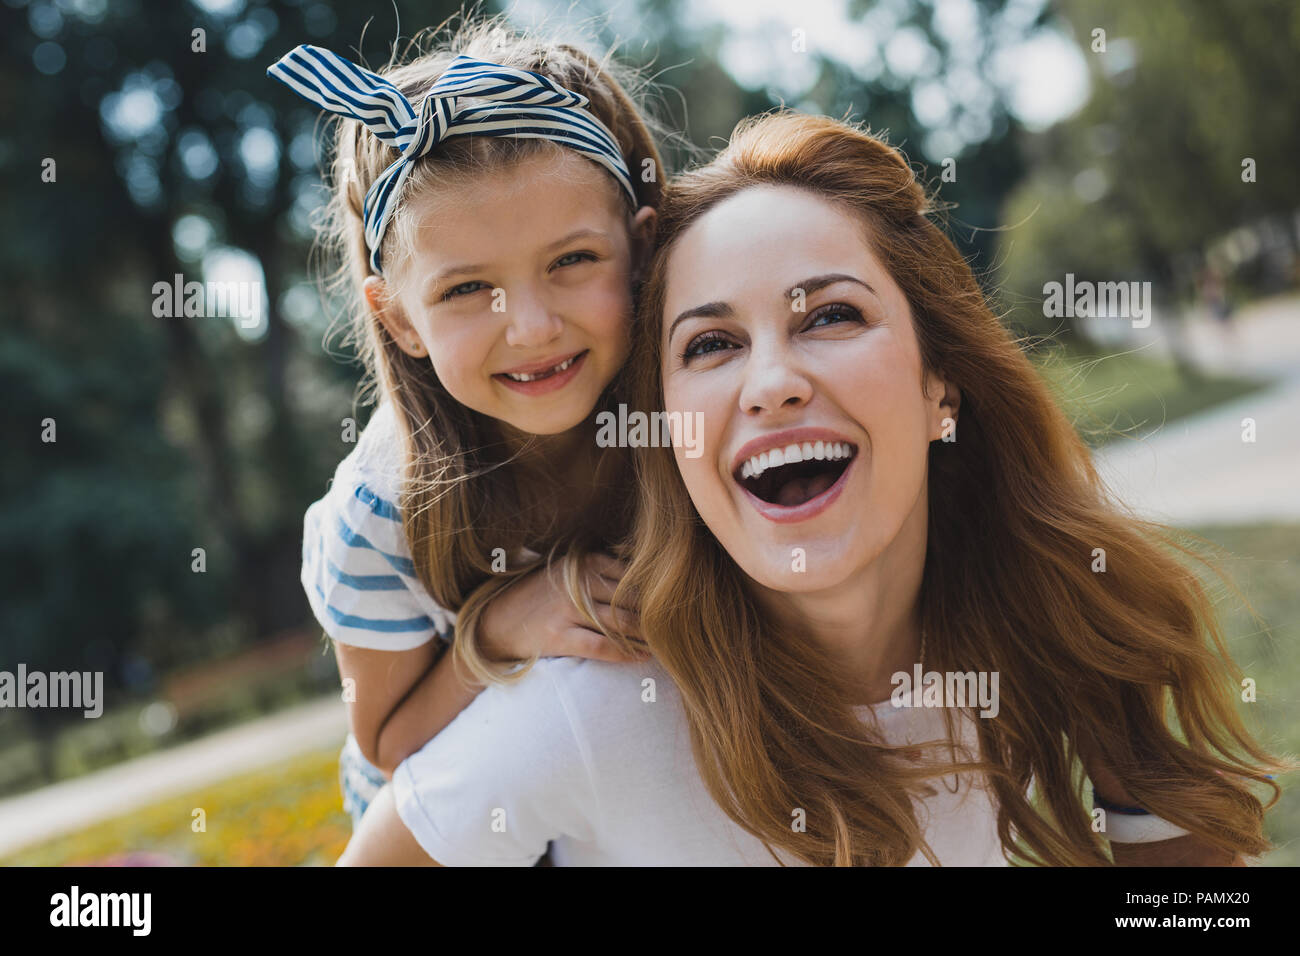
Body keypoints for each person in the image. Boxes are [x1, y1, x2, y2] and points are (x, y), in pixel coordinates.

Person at [340, 110, 1287, 867]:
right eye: (710, 344)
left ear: (937, 385)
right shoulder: (586, 709)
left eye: (831, 315)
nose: (772, 382)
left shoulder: (1057, 628)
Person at [269, 16, 665, 826]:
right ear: (400, 320)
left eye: (572, 262)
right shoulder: (378, 516)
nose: (530, 326)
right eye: (464, 290)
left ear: (642, 247)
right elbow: (385, 742)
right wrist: (504, 626)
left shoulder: (695, 414)